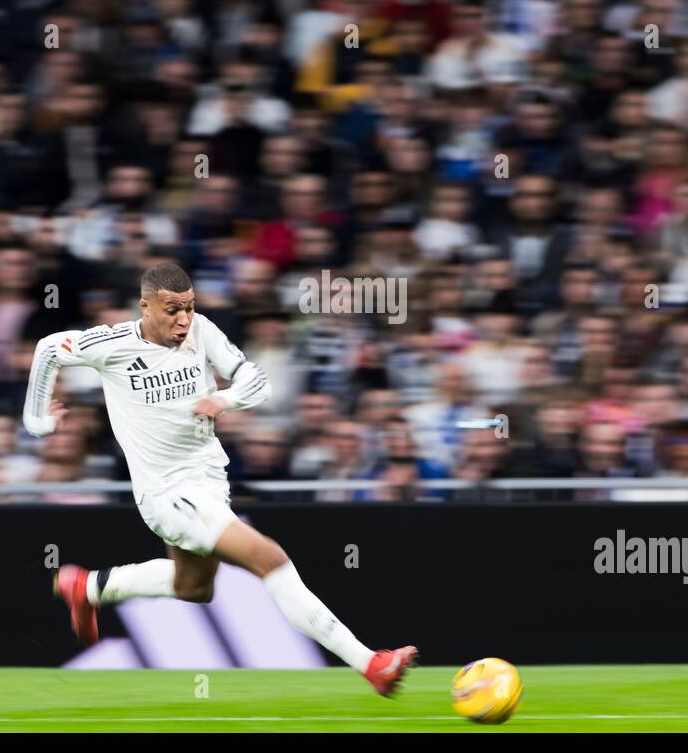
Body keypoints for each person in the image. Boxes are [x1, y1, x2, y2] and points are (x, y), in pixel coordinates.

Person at [23, 262, 416, 696]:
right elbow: (47, 348)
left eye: (189, 308)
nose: (183, 319)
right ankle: (371, 663)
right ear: (145, 306)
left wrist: (223, 399)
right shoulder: (111, 343)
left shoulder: (202, 332)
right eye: (172, 310)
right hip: (166, 492)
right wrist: (37, 421)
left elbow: (256, 381)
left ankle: (90, 586)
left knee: (194, 587)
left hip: (209, 479)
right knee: (270, 559)